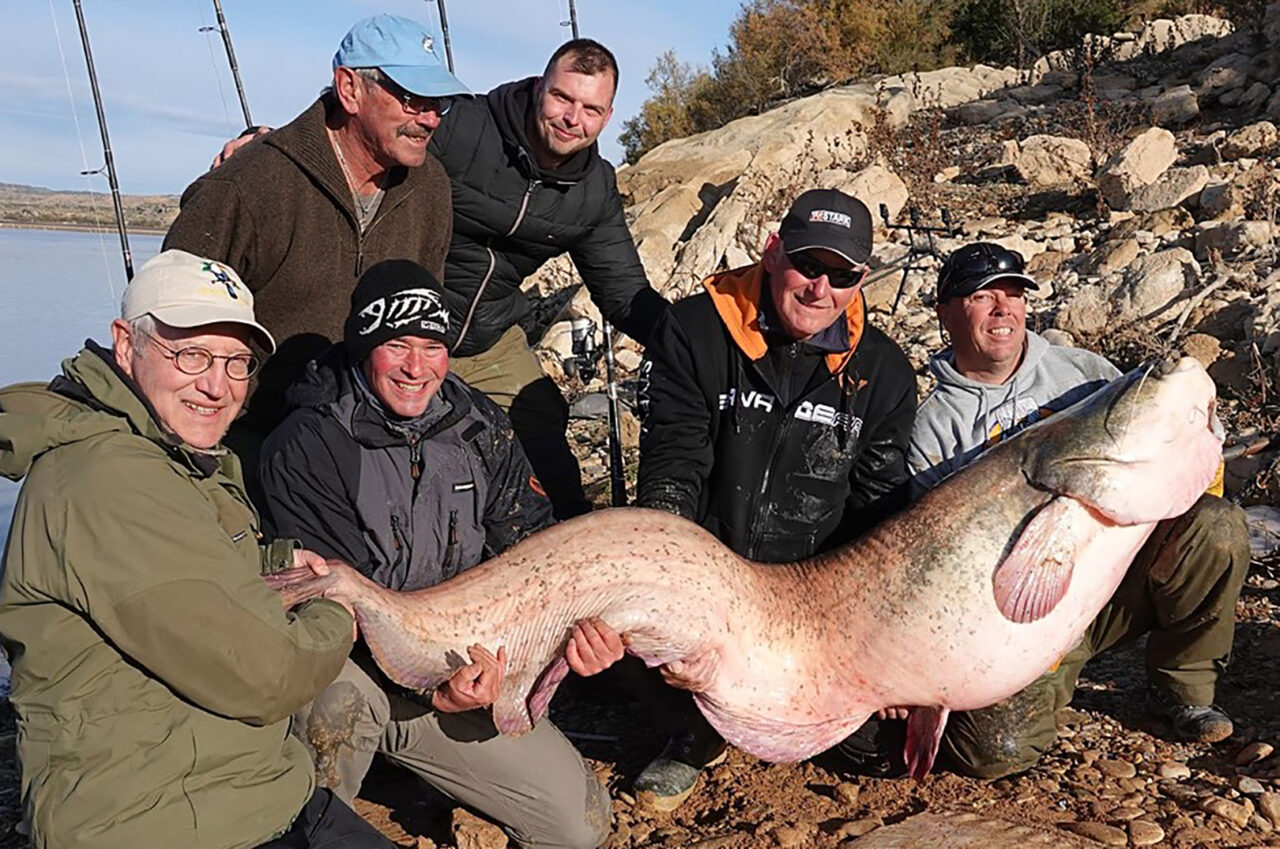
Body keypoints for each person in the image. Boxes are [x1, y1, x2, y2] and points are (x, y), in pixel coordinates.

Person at [0, 250, 391, 849]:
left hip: (258, 789)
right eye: (192, 355)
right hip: (162, 821)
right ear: (126, 345)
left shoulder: (171, 456)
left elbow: (184, 570)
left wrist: (271, 565)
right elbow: (270, 677)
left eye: (237, 362)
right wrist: (337, 602)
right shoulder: (107, 480)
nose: (216, 385)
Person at [212, 36, 669, 520]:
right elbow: (369, 126)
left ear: (609, 115)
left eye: (590, 109)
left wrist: (698, 338)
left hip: (487, 335)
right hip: (400, 324)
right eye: (562, 98)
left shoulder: (594, 189)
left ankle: (563, 545)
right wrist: (269, 143)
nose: (572, 118)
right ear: (539, 87)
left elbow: (624, 293)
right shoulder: (464, 126)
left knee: (541, 435)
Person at [258, 260, 623, 849]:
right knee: (336, 701)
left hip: (461, 663)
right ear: (363, 346)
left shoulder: (479, 424)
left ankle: (412, 767)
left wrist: (572, 639)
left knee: (575, 825)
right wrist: (432, 690)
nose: (416, 367)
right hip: (359, 667)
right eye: (396, 346)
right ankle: (301, 824)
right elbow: (334, 605)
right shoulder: (307, 443)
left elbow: (532, 556)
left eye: (432, 346)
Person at [905, 241, 1250, 779]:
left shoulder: (1084, 373)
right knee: (992, 755)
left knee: (1216, 528)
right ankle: (1050, 679)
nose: (1004, 310)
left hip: (1114, 572)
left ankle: (1182, 687)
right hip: (1021, 616)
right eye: (982, 296)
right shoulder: (931, 428)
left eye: (1015, 294)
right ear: (946, 311)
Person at [632, 188, 918, 809]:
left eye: (842, 276)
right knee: (647, 675)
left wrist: (885, 643)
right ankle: (692, 732)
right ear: (772, 250)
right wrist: (672, 602)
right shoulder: (695, 329)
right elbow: (673, 469)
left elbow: (881, 518)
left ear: (862, 279)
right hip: (712, 579)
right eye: (808, 266)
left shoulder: (885, 372)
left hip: (818, 597)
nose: (821, 289)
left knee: (888, 748)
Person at [163, 14, 470, 485]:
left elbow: (421, 320)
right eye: (411, 99)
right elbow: (170, 332)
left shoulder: (431, 188)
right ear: (349, 89)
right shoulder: (246, 185)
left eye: (437, 103)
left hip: (369, 439)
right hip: (247, 440)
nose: (428, 118)